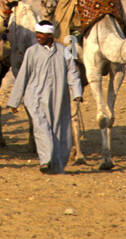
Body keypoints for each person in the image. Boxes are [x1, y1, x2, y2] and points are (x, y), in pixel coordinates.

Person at [8, 21, 83, 174]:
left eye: (42, 34)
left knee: (59, 130)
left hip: (58, 97)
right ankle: (45, 160)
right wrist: (14, 101)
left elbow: (72, 72)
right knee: (41, 126)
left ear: (50, 35)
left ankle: (56, 166)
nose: (38, 37)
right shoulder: (31, 52)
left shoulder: (64, 50)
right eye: (37, 34)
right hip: (34, 97)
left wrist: (77, 92)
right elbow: (23, 76)